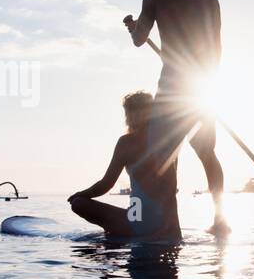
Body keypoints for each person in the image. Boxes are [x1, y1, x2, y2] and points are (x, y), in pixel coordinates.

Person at [122, 0, 229, 233]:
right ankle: (221, 220)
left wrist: (133, 27)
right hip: (205, 84)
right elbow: (217, 46)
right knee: (207, 153)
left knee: (163, 154)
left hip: (174, 86)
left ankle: (169, 226)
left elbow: (139, 39)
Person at [68, 91, 181, 239]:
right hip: (168, 227)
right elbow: (171, 189)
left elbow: (106, 185)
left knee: (78, 203)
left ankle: (117, 235)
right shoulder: (168, 142)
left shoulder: (126, 143)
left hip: (138, 224)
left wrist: (80, 194)